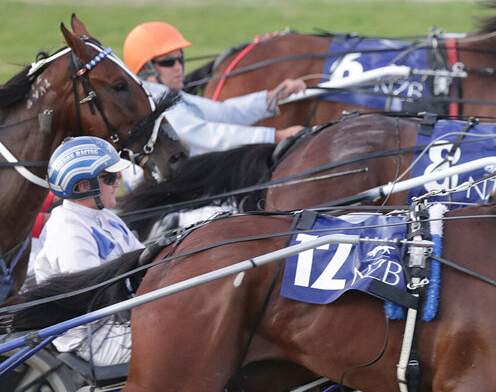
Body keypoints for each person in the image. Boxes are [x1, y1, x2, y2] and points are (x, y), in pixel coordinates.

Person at [32, 137, 145, 367]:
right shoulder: (68, 231)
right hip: (96, 340)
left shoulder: (106, 217)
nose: (117, 183)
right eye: (111, 177)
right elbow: (96, 300)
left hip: (124, 320)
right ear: (83, 185)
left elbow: (144, 262)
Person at [123, 21, 307, 155]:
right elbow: (204, 134)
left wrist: (271, 97)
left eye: (180, 59)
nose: (178, 67)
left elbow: (225, 113)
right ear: (146, 69)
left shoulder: (171, 95)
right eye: (169, 62)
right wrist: (274, 137)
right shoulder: (152, 103)